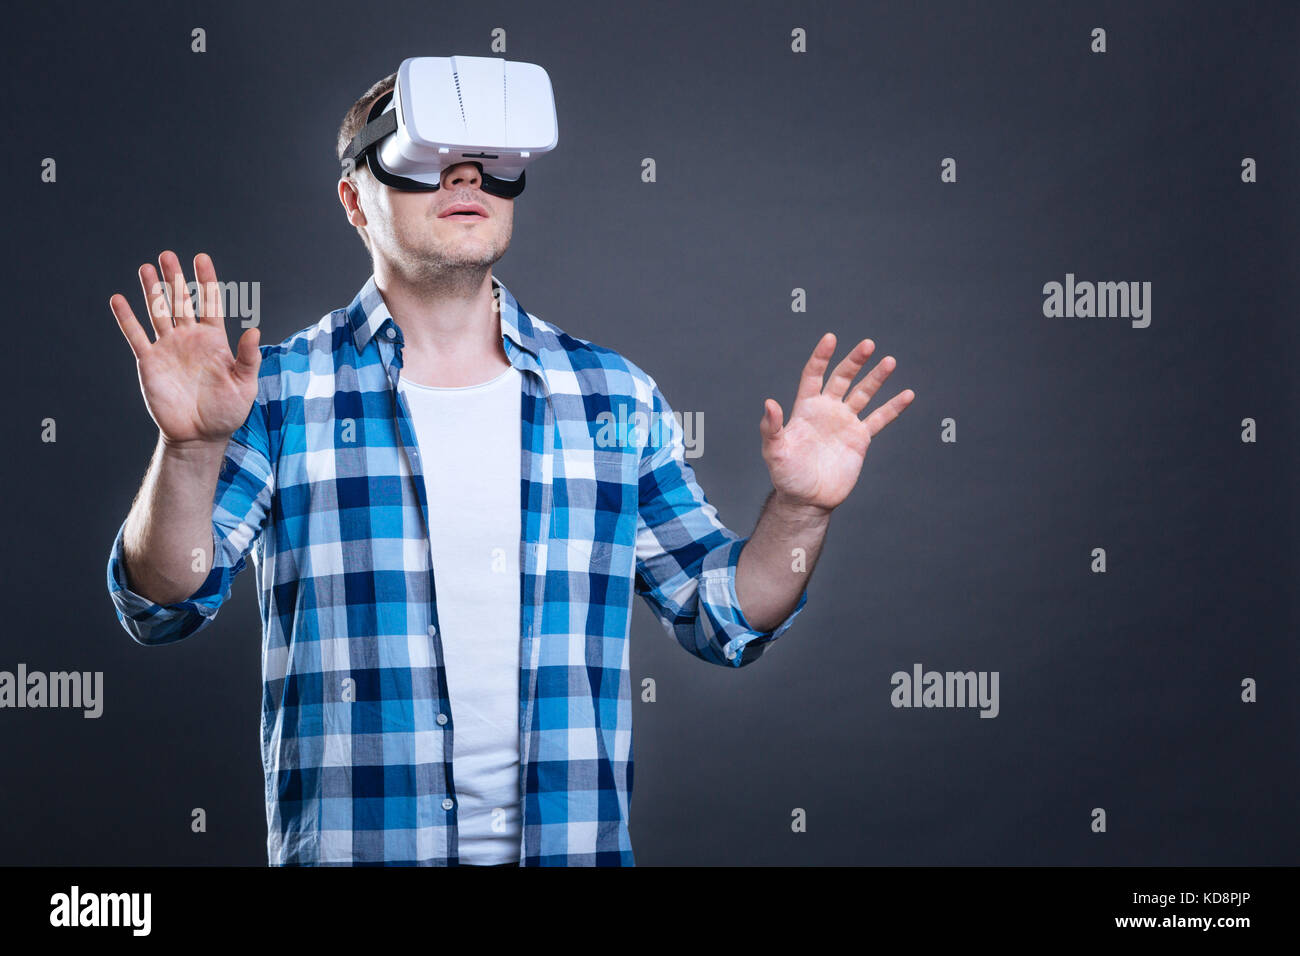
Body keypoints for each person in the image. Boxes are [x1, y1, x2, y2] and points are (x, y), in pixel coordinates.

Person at [104, 71, 915, 867]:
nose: (465, 175)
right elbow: (167, 598)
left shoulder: (611, 396)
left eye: (490, 159)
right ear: (355, 199)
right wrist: (190, 449)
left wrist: (802, 510)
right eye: (422, 154)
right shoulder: (275, 393)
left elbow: (721, 614)